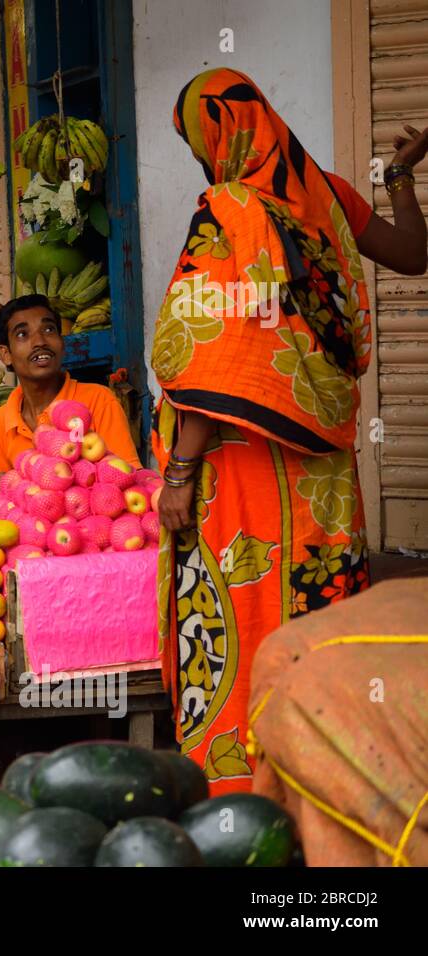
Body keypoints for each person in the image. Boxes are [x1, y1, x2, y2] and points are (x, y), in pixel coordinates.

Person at [149, 69, 426, 794]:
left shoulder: (228, 208)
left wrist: (179, 472)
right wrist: (398, 176)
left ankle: (238, 787)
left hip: (240, 463)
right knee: (318, 608)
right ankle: (323, 776)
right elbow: (411, 255)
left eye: (195, 142)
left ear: (219, 136)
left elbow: (211, 353)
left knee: (244, 613)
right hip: (325, 466)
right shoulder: (328, 194)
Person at [0, 294, 139, 492]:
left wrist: (24, 484)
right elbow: (2, 499)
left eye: (48, 329)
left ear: (62, 343)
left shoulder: (97, 400)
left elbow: (129, 482)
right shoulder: (1, 421)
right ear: (6, 354)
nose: (39, 341)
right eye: (22, 334)